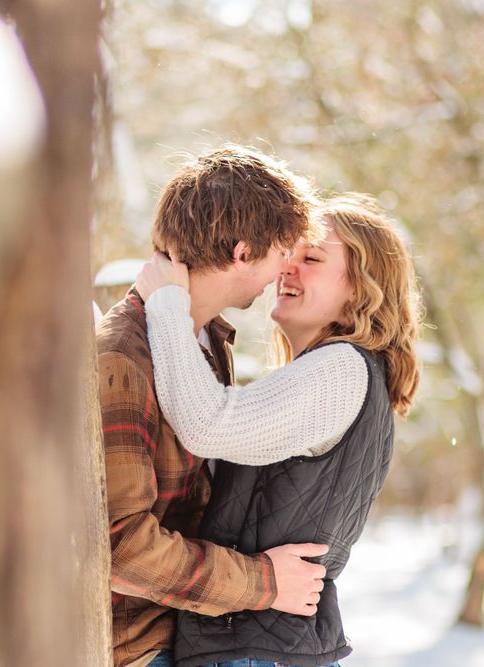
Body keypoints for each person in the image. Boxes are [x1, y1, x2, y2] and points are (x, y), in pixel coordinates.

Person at [135, 194, 422, 667]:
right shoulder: (347, 373)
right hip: (259, 644)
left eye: (311, 258)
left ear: (361, 288)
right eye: (290, 254)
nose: (287, 267)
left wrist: (167, 303)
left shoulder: (341, 370)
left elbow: (208, 425)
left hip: (254, 648)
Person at [97, 145, 331, 667]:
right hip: (143, 647)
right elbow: (121, 544)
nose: (284, 271)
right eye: (282, 252)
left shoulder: (205, 340)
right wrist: (262, 583)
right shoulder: (124, 357)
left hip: (192, 632)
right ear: (245, 252)